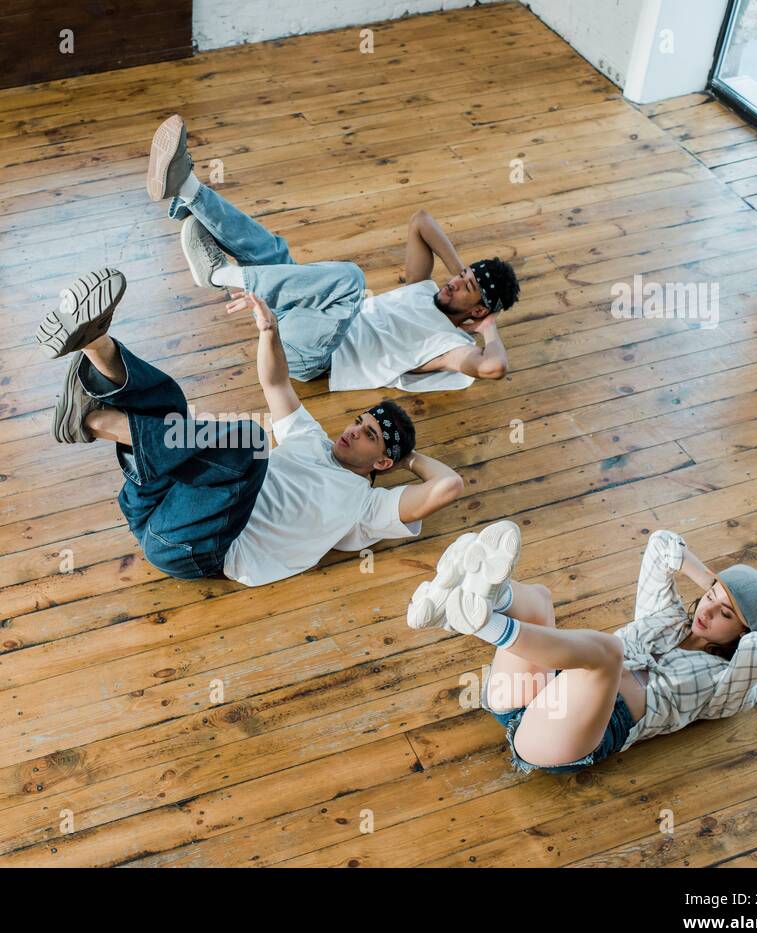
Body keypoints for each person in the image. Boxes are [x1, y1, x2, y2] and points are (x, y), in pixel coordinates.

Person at [36, 266, 465, 587]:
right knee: (176, 413)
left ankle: (96, 420)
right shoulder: (311, 440)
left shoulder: (367, 508)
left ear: (383, 461)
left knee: (249, 441)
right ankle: (96, 345)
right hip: (156, 503)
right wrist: (269, 331)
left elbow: (448, 487)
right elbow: (275, 382)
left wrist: (408, 459)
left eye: (369, 435)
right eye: (359, 421)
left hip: (197, 547)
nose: (353, 430)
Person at [146, 113, 519, 393]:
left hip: (314, 355)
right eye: (460, 276)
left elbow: (493, 368)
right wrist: (463, 268)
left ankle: (219, 277)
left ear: (479, 309)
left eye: (465, 286)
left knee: (352, 280)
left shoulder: (451, 347)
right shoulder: (426, 290)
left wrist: (489, 328)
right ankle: (189, 188)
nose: (453, 281)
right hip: (306, 315)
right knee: (275, 251)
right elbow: (420, 221)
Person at [407, 521, 757, 774]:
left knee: (609, 654)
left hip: (567, 740)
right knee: (538, 600)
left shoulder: (725, 684)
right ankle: (462, 604)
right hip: (538, 692)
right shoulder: (667, 615)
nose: (708, 610)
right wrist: (717, 582)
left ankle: (478, 620)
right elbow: (661, 544)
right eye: (710, 596)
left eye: (725, 613)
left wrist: (752, 618)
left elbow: (756, 654)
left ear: (743, 632)